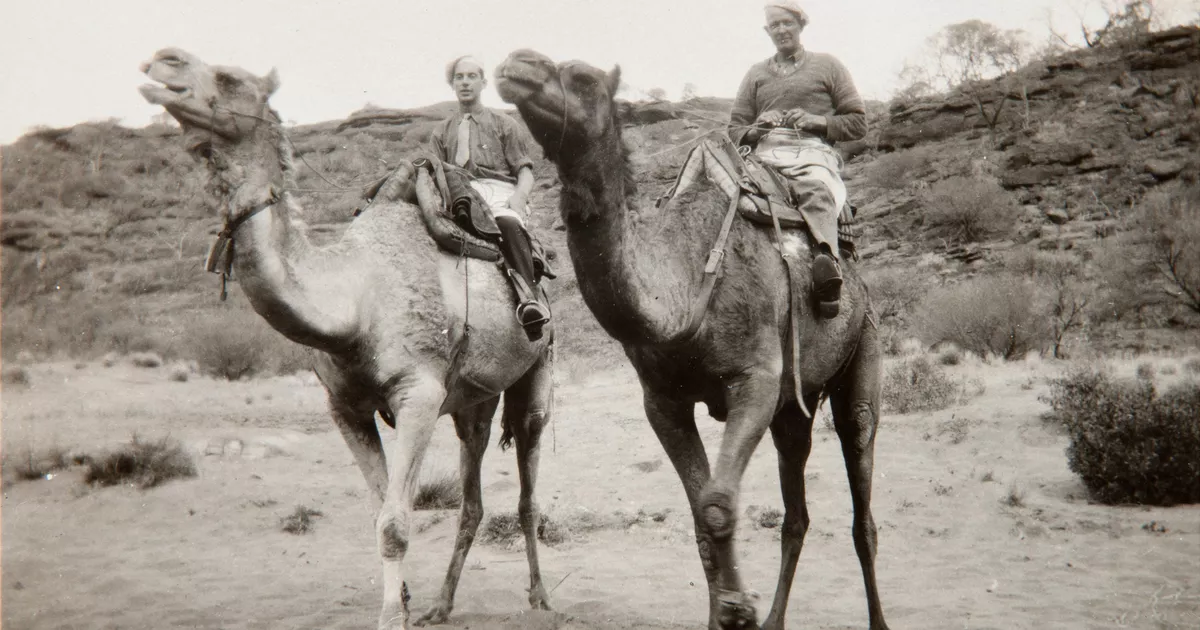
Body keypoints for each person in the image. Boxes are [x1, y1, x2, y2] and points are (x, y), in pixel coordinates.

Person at [729, 1, 867, 317]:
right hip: (765, 155)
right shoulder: (755, 74)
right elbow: (734, 129)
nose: (780, 30)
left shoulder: (828, 65)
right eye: (774, 25)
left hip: (813, 152)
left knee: (816, 190)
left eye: (786, 23)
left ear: (800, 25)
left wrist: (816, 121)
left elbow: (858, 123)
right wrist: (757, 127)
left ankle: (827, 265)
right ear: (767, 31)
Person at [433, 55, 550, 337]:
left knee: (507, 224)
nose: (465, 82)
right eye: (459, 77)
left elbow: (525, 171)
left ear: (483, 82)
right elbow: (439, 177)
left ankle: (528, 301)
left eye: (472, 76)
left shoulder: (504, 124)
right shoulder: (441, 132)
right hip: (460, 195)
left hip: (499, 192)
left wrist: (519, 197)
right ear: (452, 84)